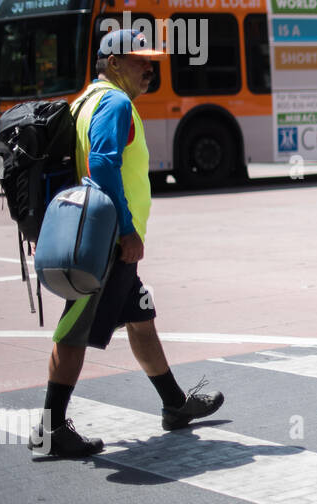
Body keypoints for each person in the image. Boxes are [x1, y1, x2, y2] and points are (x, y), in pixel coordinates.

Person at [29, 29, 223, 458]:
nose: (149, 68)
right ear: (113, 63)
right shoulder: (115, 102)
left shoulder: (86, 99)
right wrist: (125, 229)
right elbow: (101, 161)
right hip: (106, 242)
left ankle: (174, 405)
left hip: (101, 237)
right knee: (74, 330)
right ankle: (50, 427)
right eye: (140, 60)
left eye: (151, 61)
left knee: (140, 315)